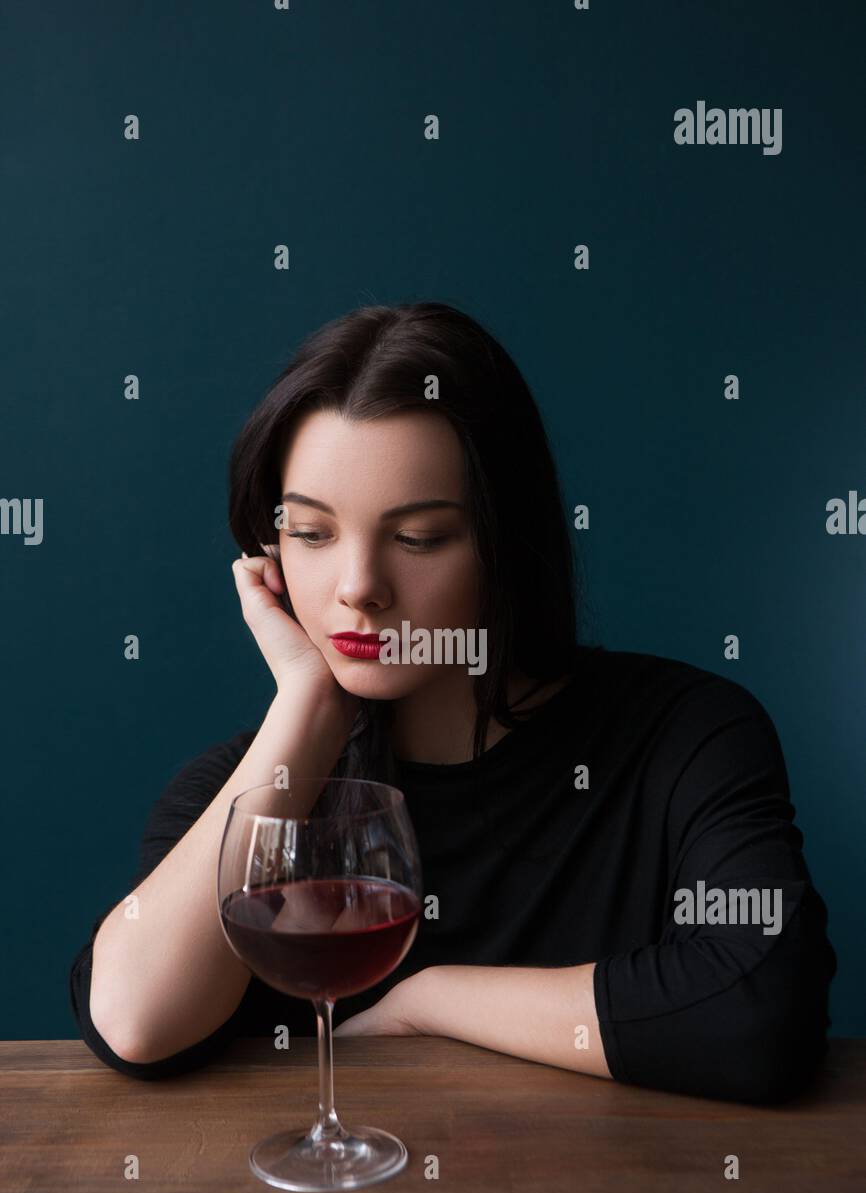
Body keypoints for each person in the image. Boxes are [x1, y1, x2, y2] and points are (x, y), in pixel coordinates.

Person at [69, 301, 836, 1104]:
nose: (358, 587)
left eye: (419, 537)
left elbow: (758, 1012)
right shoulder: (245, 784)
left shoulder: (687, 737)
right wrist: (306, 708)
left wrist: (427, 1002)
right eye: (312, 534)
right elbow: (134, 1021)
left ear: (503, 543)